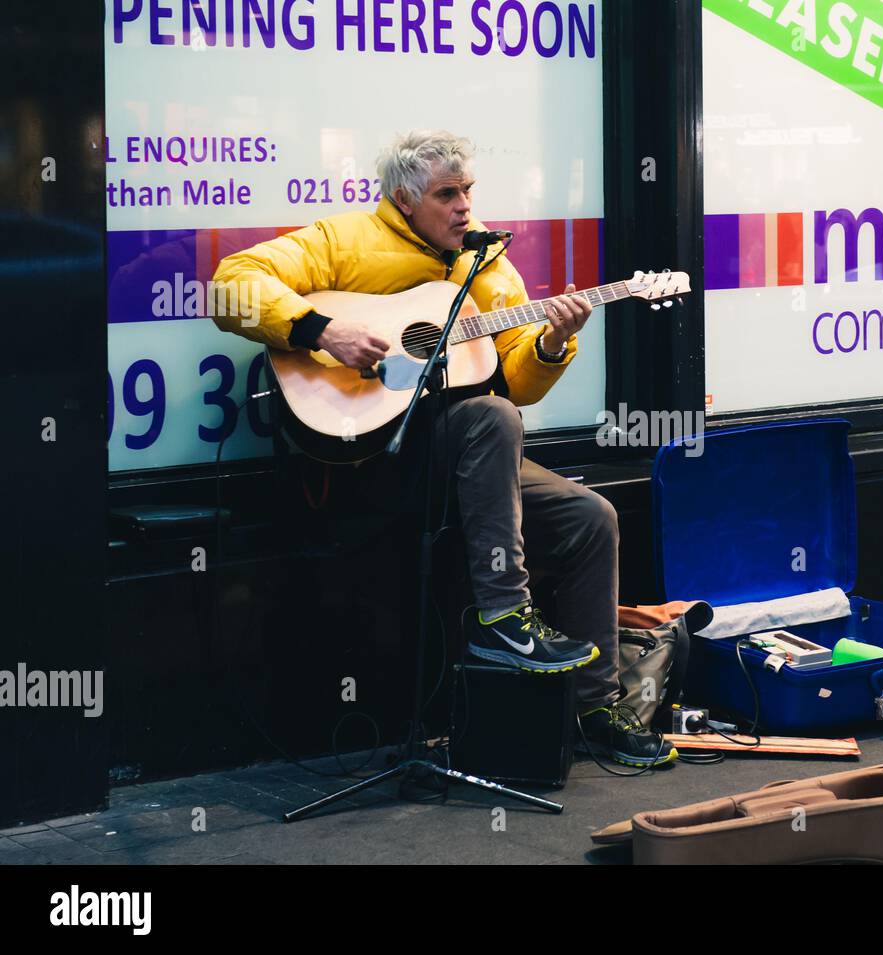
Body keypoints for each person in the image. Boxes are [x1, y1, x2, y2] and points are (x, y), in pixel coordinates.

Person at [211, 130, 675, 768]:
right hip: (372, 458)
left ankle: (595, 709)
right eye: (446, 194)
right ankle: (505, 616)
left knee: (589, 517)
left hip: (467, 456)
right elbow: (230, 287)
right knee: (489, 415)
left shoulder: (485, 261)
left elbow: (514, 380)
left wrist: (550, 345)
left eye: (468, 191)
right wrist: (325, 331)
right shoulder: (343, 242)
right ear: (404, 199)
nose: (464, 207)